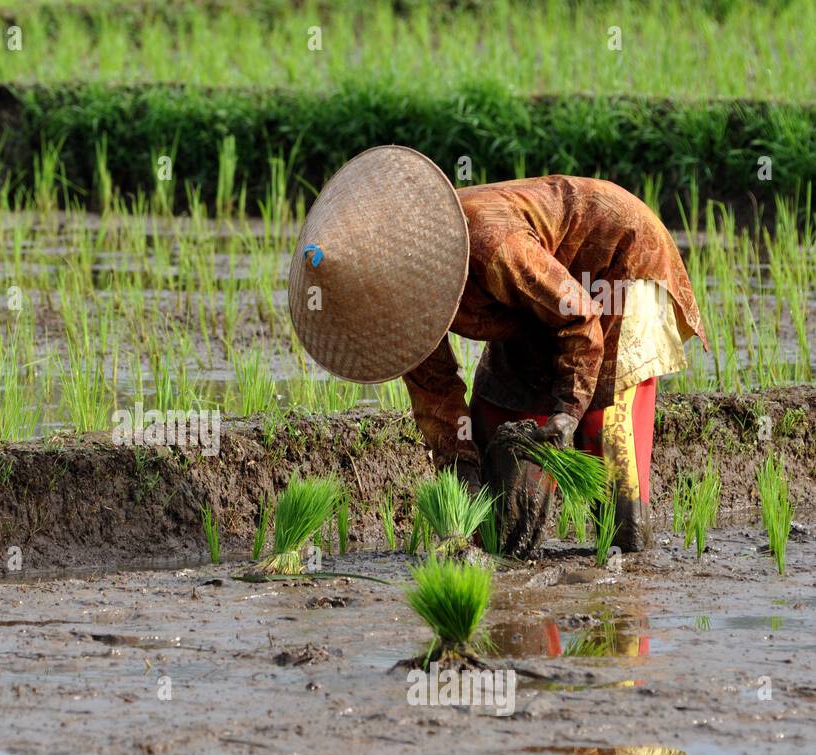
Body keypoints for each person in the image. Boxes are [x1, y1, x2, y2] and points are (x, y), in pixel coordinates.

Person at [288, 146, 706, 553]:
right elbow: (435, 392)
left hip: (614, 268)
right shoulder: (400, 315)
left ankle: (625, 560)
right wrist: (461, 472)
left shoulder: (493, 247)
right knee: (496, 421)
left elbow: (579, 318)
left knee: (603, 427)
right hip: (532, 304)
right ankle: (511, 555)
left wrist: (566, 411)